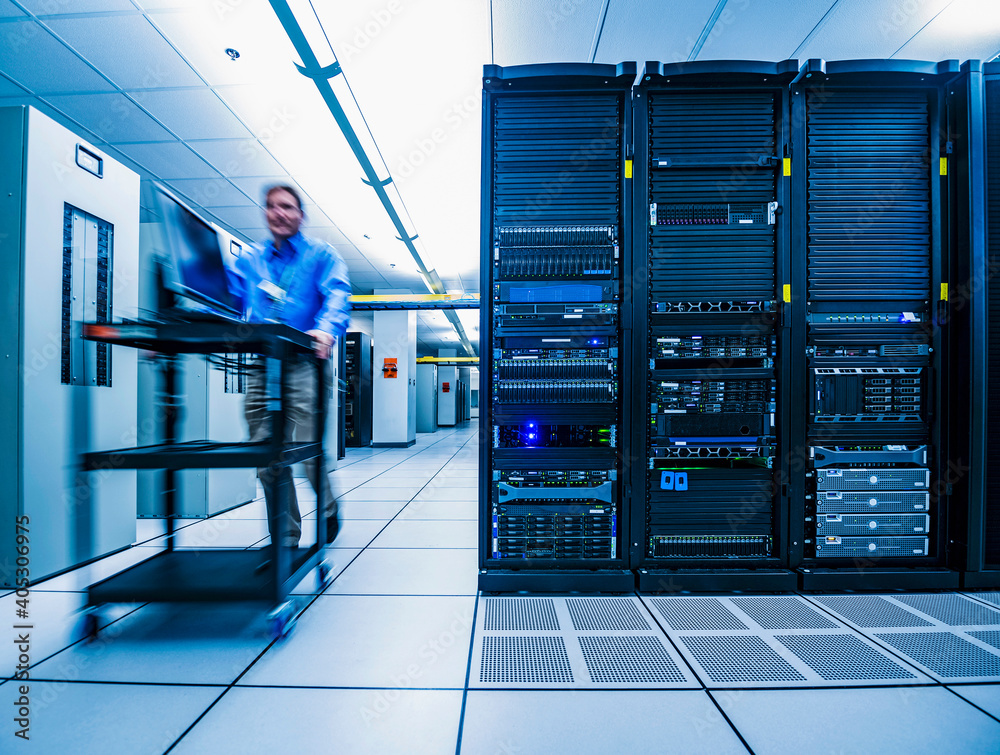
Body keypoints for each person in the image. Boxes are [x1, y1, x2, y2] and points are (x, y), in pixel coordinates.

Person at [229, 185, 350, 549]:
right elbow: (224, 300)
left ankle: (327, 508)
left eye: (287, 207)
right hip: (261, 365)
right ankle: (285, 537)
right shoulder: (250, 260)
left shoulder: (320, 255)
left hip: (302, 363)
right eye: (271, 207)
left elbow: (338, 295)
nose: (279, 213)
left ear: (301, 215)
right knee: (265, 456)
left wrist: (326, 331)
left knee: (307, 449)